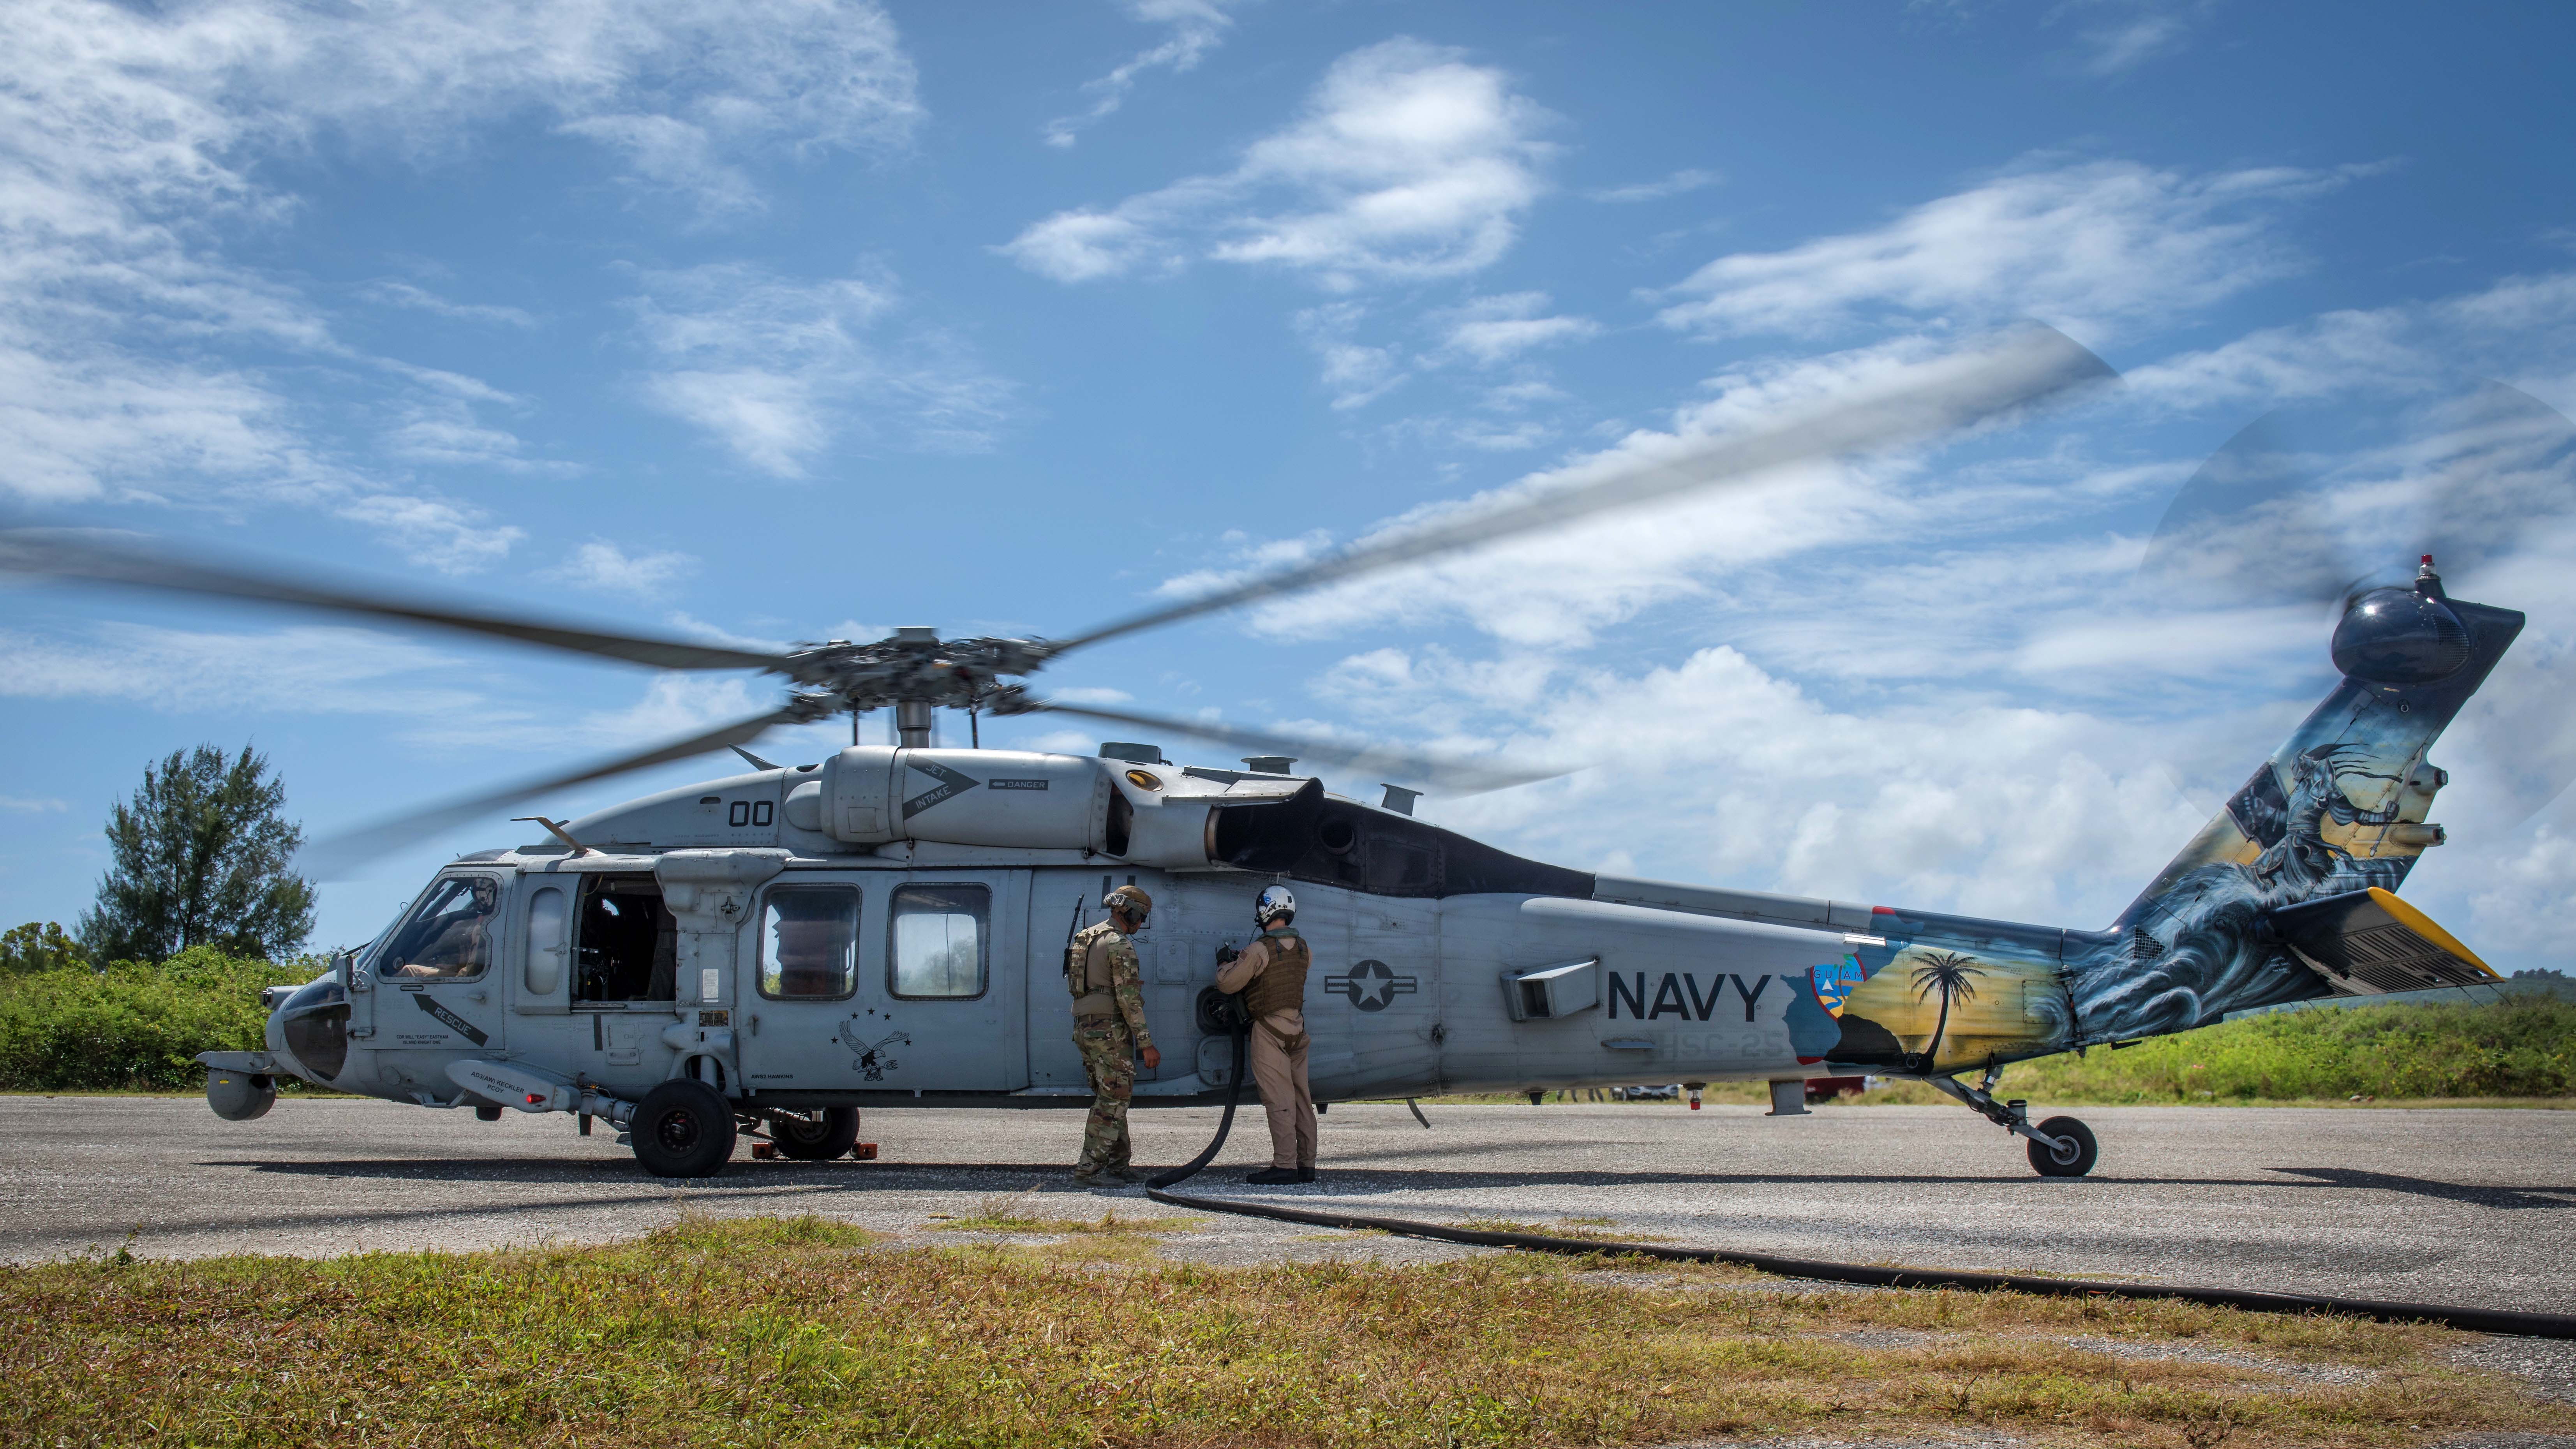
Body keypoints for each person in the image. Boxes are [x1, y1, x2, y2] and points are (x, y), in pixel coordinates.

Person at [1215, 884, 1315, 1184]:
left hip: (1270, 1030)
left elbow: (1228, 984)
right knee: (1301, 1100)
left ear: (1264, 911)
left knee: (1278, 1099)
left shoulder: (1259, 950)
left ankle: (1285, 1166)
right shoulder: (1302, 948)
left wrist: (1224, 963)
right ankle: (1306, 1165)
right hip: (1297, 1030)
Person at [1065, 883, 1160, 1186]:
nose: (1141, 923)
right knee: (1113, 1099)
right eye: (1141, 916)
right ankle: (1088, 1170)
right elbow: (1128, 999)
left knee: (1111, 1097)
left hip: (1085, 1027)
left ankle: (1119, 1165)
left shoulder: (1086, 937)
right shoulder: (1119, 944)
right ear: (1128, 911)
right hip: (1108, 1031)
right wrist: (1146, 1044)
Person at [390, 877, 498, 978]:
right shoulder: (496, 921)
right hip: (463, 974)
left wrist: (457, 974)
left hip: (464, 981)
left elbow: (472, 972)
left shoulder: (484, 927)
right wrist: (455, 968)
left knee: (409, 971)